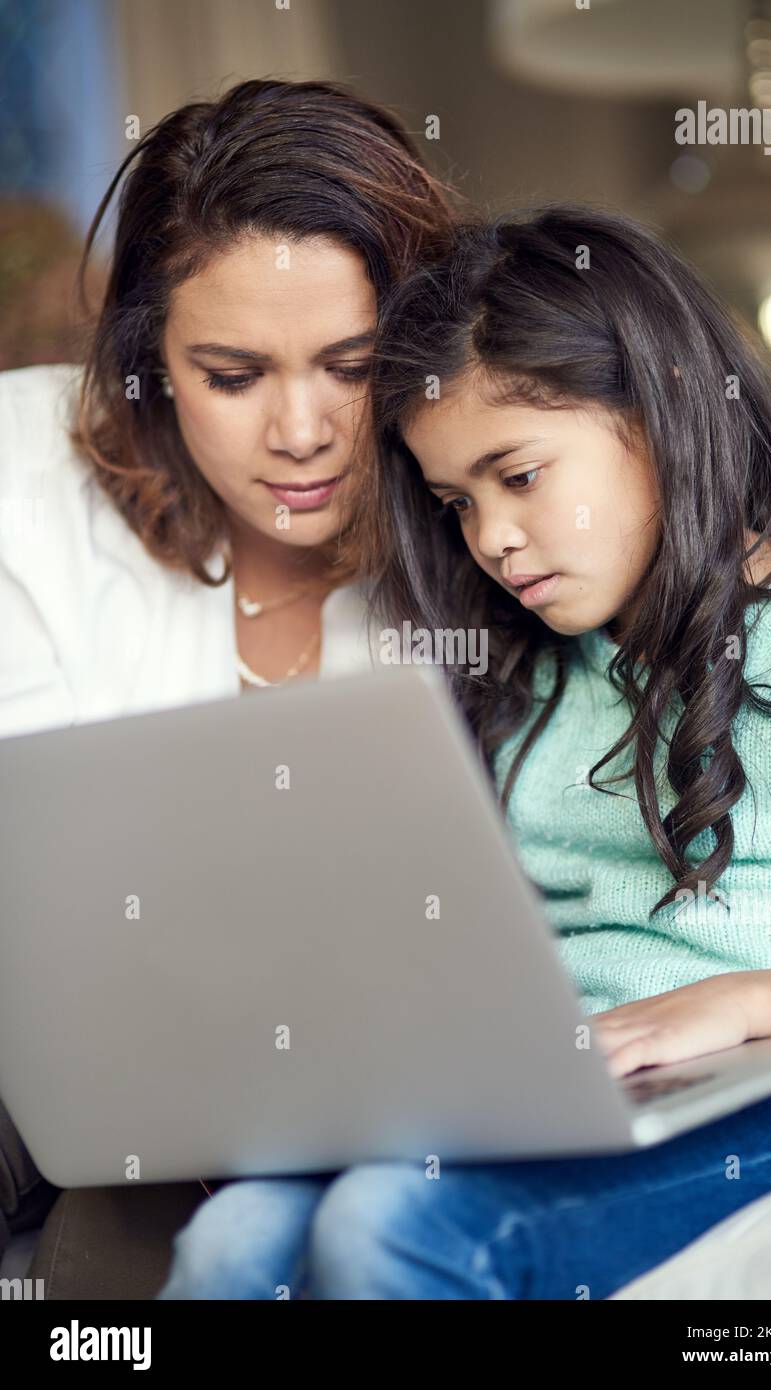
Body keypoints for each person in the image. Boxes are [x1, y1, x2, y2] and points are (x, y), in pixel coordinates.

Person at [155, 206, 771, 1300]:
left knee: (396, 1223)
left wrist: (748, 1002)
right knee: (235, 1238)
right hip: (566, 1085)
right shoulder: (534, 682)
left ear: (665, 404)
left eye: (519, 476)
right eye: (456, 504)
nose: (489, 538)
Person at [0, 77, 457, 1283]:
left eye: (352, 365)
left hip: (340, 1094)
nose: (300, 431)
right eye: (233, 374)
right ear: (150, 356)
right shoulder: (23, 477)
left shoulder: (495, 552)